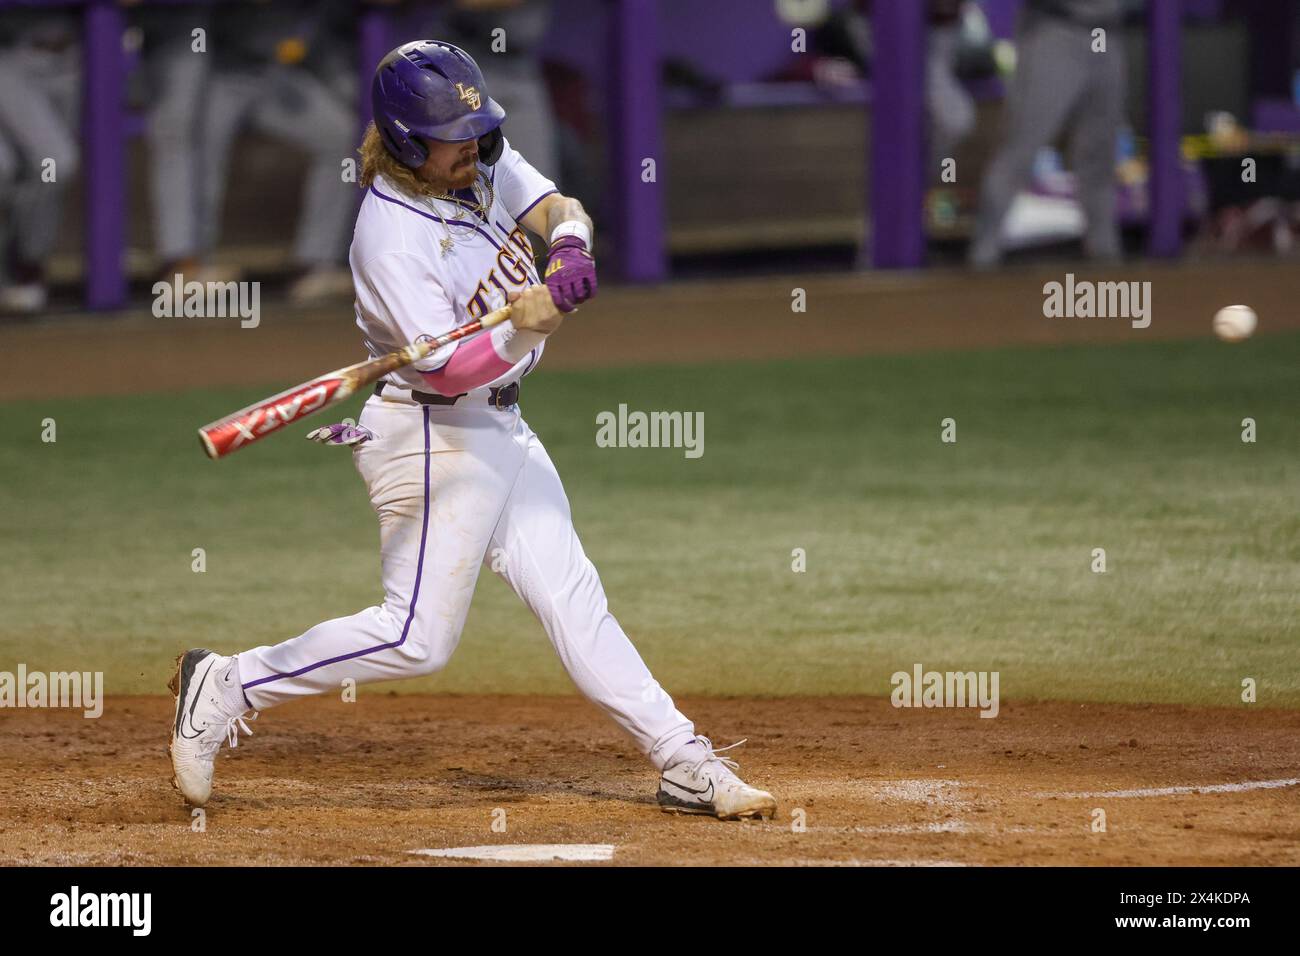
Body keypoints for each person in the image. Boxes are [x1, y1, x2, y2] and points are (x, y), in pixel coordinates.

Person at [168, 40, 777, 822]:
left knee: (570, 596)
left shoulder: (478, 158)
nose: (476, 147)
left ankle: (684, 760)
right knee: (417, 640)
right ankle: (226, 683)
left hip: (501, 430)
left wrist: (568, 250)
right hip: (430, 438)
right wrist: (529, 326)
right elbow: (448, 372)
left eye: (479, 130)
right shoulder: (389, 236)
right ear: (407, 141)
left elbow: (559, 208)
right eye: (456, 138)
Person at [968, 0, 1127, 268]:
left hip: (1108, 32)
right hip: (1055, 28)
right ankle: (983, 252)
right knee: (1022, 145)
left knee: (1100, 152)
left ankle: (1105, 252)